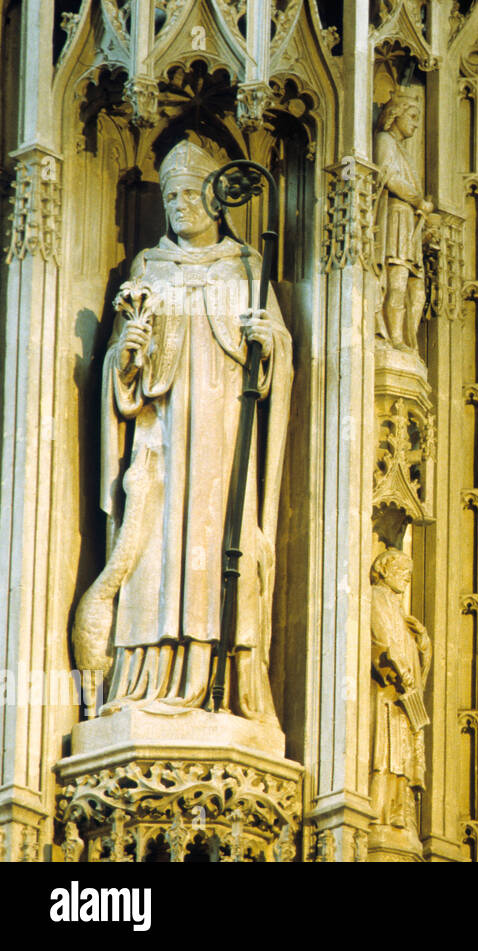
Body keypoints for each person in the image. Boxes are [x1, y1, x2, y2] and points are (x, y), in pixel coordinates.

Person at [74, 139, 293, 722]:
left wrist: (269, 346)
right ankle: (143, 682)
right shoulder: (149, 267)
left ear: (216, 200)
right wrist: (128, 356)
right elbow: (122, 370)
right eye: (169, 196)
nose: (178, 206)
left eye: (189, 194)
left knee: (225, 551)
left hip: (222, 443)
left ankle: (221, 681)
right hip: (162, 438)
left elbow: (278, 361)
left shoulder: (246, 267)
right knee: (153, 552)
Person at [369, 548, 431, 839]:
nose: (406, 578)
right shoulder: (376, 598)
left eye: (409, 574)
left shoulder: (397, 610)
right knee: (385, 755)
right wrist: (400, 670)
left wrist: (421, 644)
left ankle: (398, 816)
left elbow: (410, 657)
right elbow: (381, 640)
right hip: (387, 696)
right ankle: (380, 814)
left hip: (402, 701)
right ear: (384, 570)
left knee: (401, 758)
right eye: (402, 571)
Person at [375, 89, 432, 351]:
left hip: (409, 222)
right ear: (394, 115)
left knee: (417, 291)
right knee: (396, 283)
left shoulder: (404, 151)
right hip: (395, 218)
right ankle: (394, 339)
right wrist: (418, 200)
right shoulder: (384, 140)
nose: (416, 123)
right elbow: (388, 177)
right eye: (412, 115)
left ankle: (410, 342)